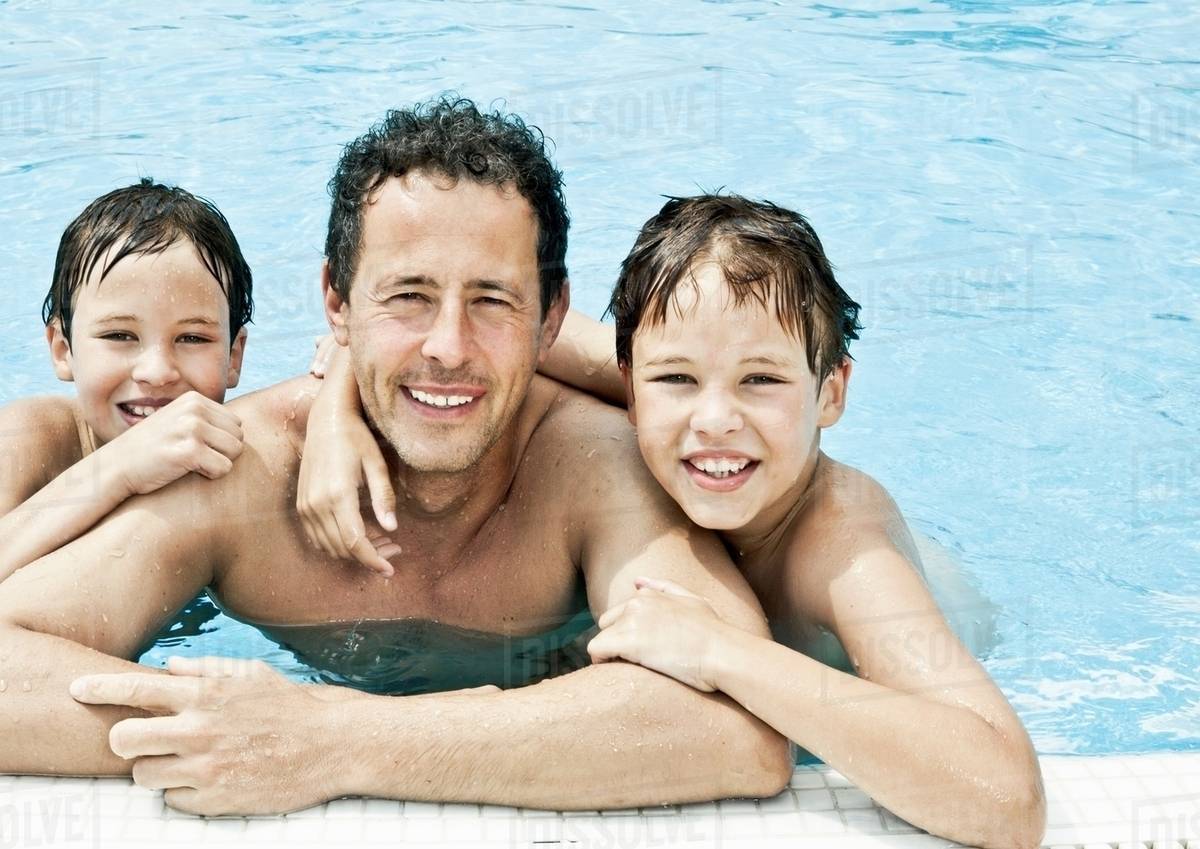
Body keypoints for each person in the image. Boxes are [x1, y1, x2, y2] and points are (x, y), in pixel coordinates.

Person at [0, 98, 790, 815]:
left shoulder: (593, 466)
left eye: (491, 299)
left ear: (551, 317)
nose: (447, 346)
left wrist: (329, 738)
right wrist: (229, 727)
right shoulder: (242, 470)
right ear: (337, 303)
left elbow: (745, 723)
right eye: (408, 296)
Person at [545, 195, 1049, 848]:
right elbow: (521, 335)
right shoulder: (674, 430)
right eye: (675, 378)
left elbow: (1008, 800)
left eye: (760, 379)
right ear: (630, 388)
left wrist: (718, 650)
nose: (714, 420)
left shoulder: (844, 551)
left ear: (830, 392)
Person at [0, 180, 252, 584]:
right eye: (119, 335)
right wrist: (118, 467)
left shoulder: (245, 446)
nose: (157, 371)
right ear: (63, 349)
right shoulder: (27, 440)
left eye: (192, 338)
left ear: (233, 357)